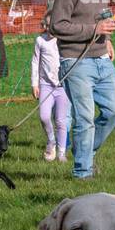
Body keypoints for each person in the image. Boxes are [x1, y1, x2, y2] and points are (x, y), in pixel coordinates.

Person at [48, 0, 115, 180]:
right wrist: (94, 29)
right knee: (85, 118)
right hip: (76, 62)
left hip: (102, 59)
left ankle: (84, 153)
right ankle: (82, 173)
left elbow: (101, 15)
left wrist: (107, 37)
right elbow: (56, 25)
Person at [31, 14, 69, 162]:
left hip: (62, 86)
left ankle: (61, 152)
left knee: (61, 120)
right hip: (45, 85)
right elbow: (35, 62)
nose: (49, 29)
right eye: (46, 26)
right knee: (44, 116)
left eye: (52, 26)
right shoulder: (40, 40)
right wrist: (35, 84)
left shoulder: (63, 41)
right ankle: (51, 140)